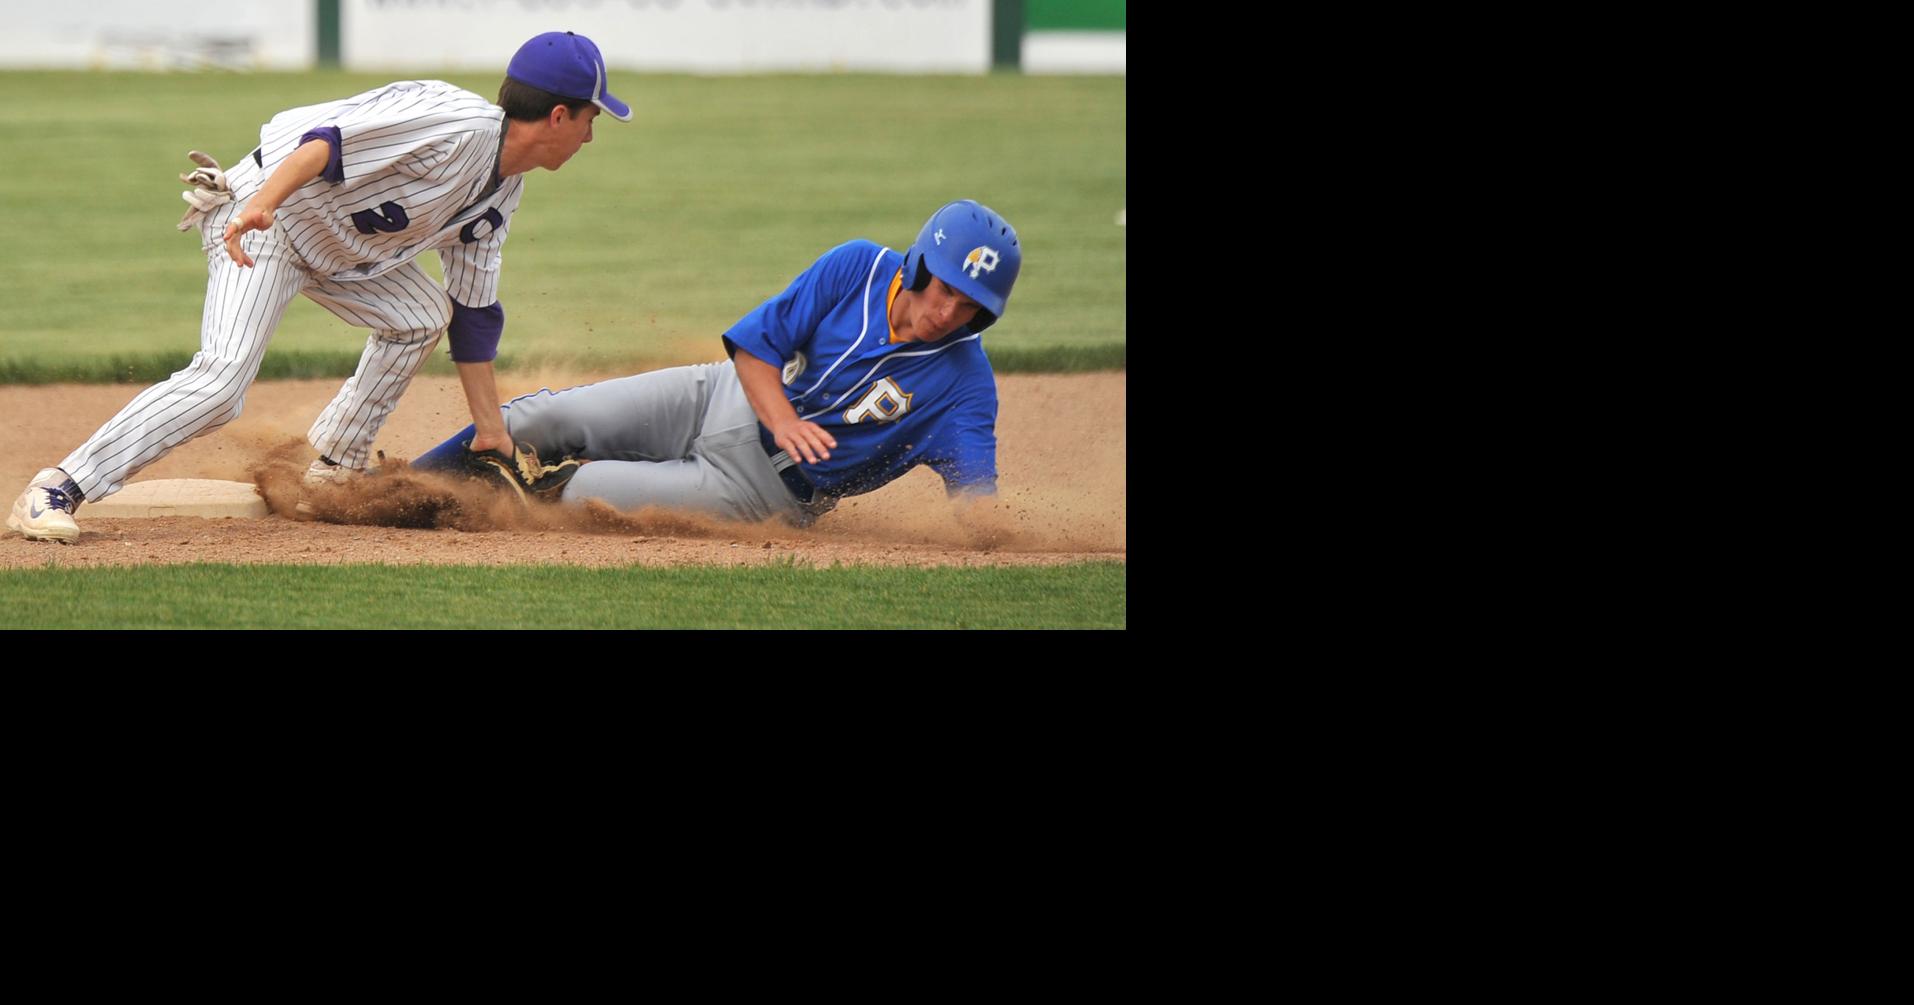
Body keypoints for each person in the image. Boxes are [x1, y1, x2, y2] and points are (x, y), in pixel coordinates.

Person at [7, 30, 631, 543]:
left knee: (420, 314)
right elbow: (322, 146)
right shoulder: (455, 124)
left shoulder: (503, 189)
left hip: (334, 250)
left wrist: (489, 427)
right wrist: (263, 207)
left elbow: (473, 313)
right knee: (221, 384)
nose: (591, 135)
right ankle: (58, 486)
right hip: (265, 220)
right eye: (589, 119)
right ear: (557, 115)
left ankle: (333, 467)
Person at [409, 199, 1023, 527]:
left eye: (969, 306)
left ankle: (424, 514)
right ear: (919, 265)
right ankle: (396, 488)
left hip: (760, 494)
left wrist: (1006, 529)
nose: (948, 311)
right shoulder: (857, 266)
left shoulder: (965, 385)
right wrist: (783, 420)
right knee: (539, 419)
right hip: (716, 394)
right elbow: (757, 348)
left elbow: (977, 499)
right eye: (944, 288)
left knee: (583, 492)